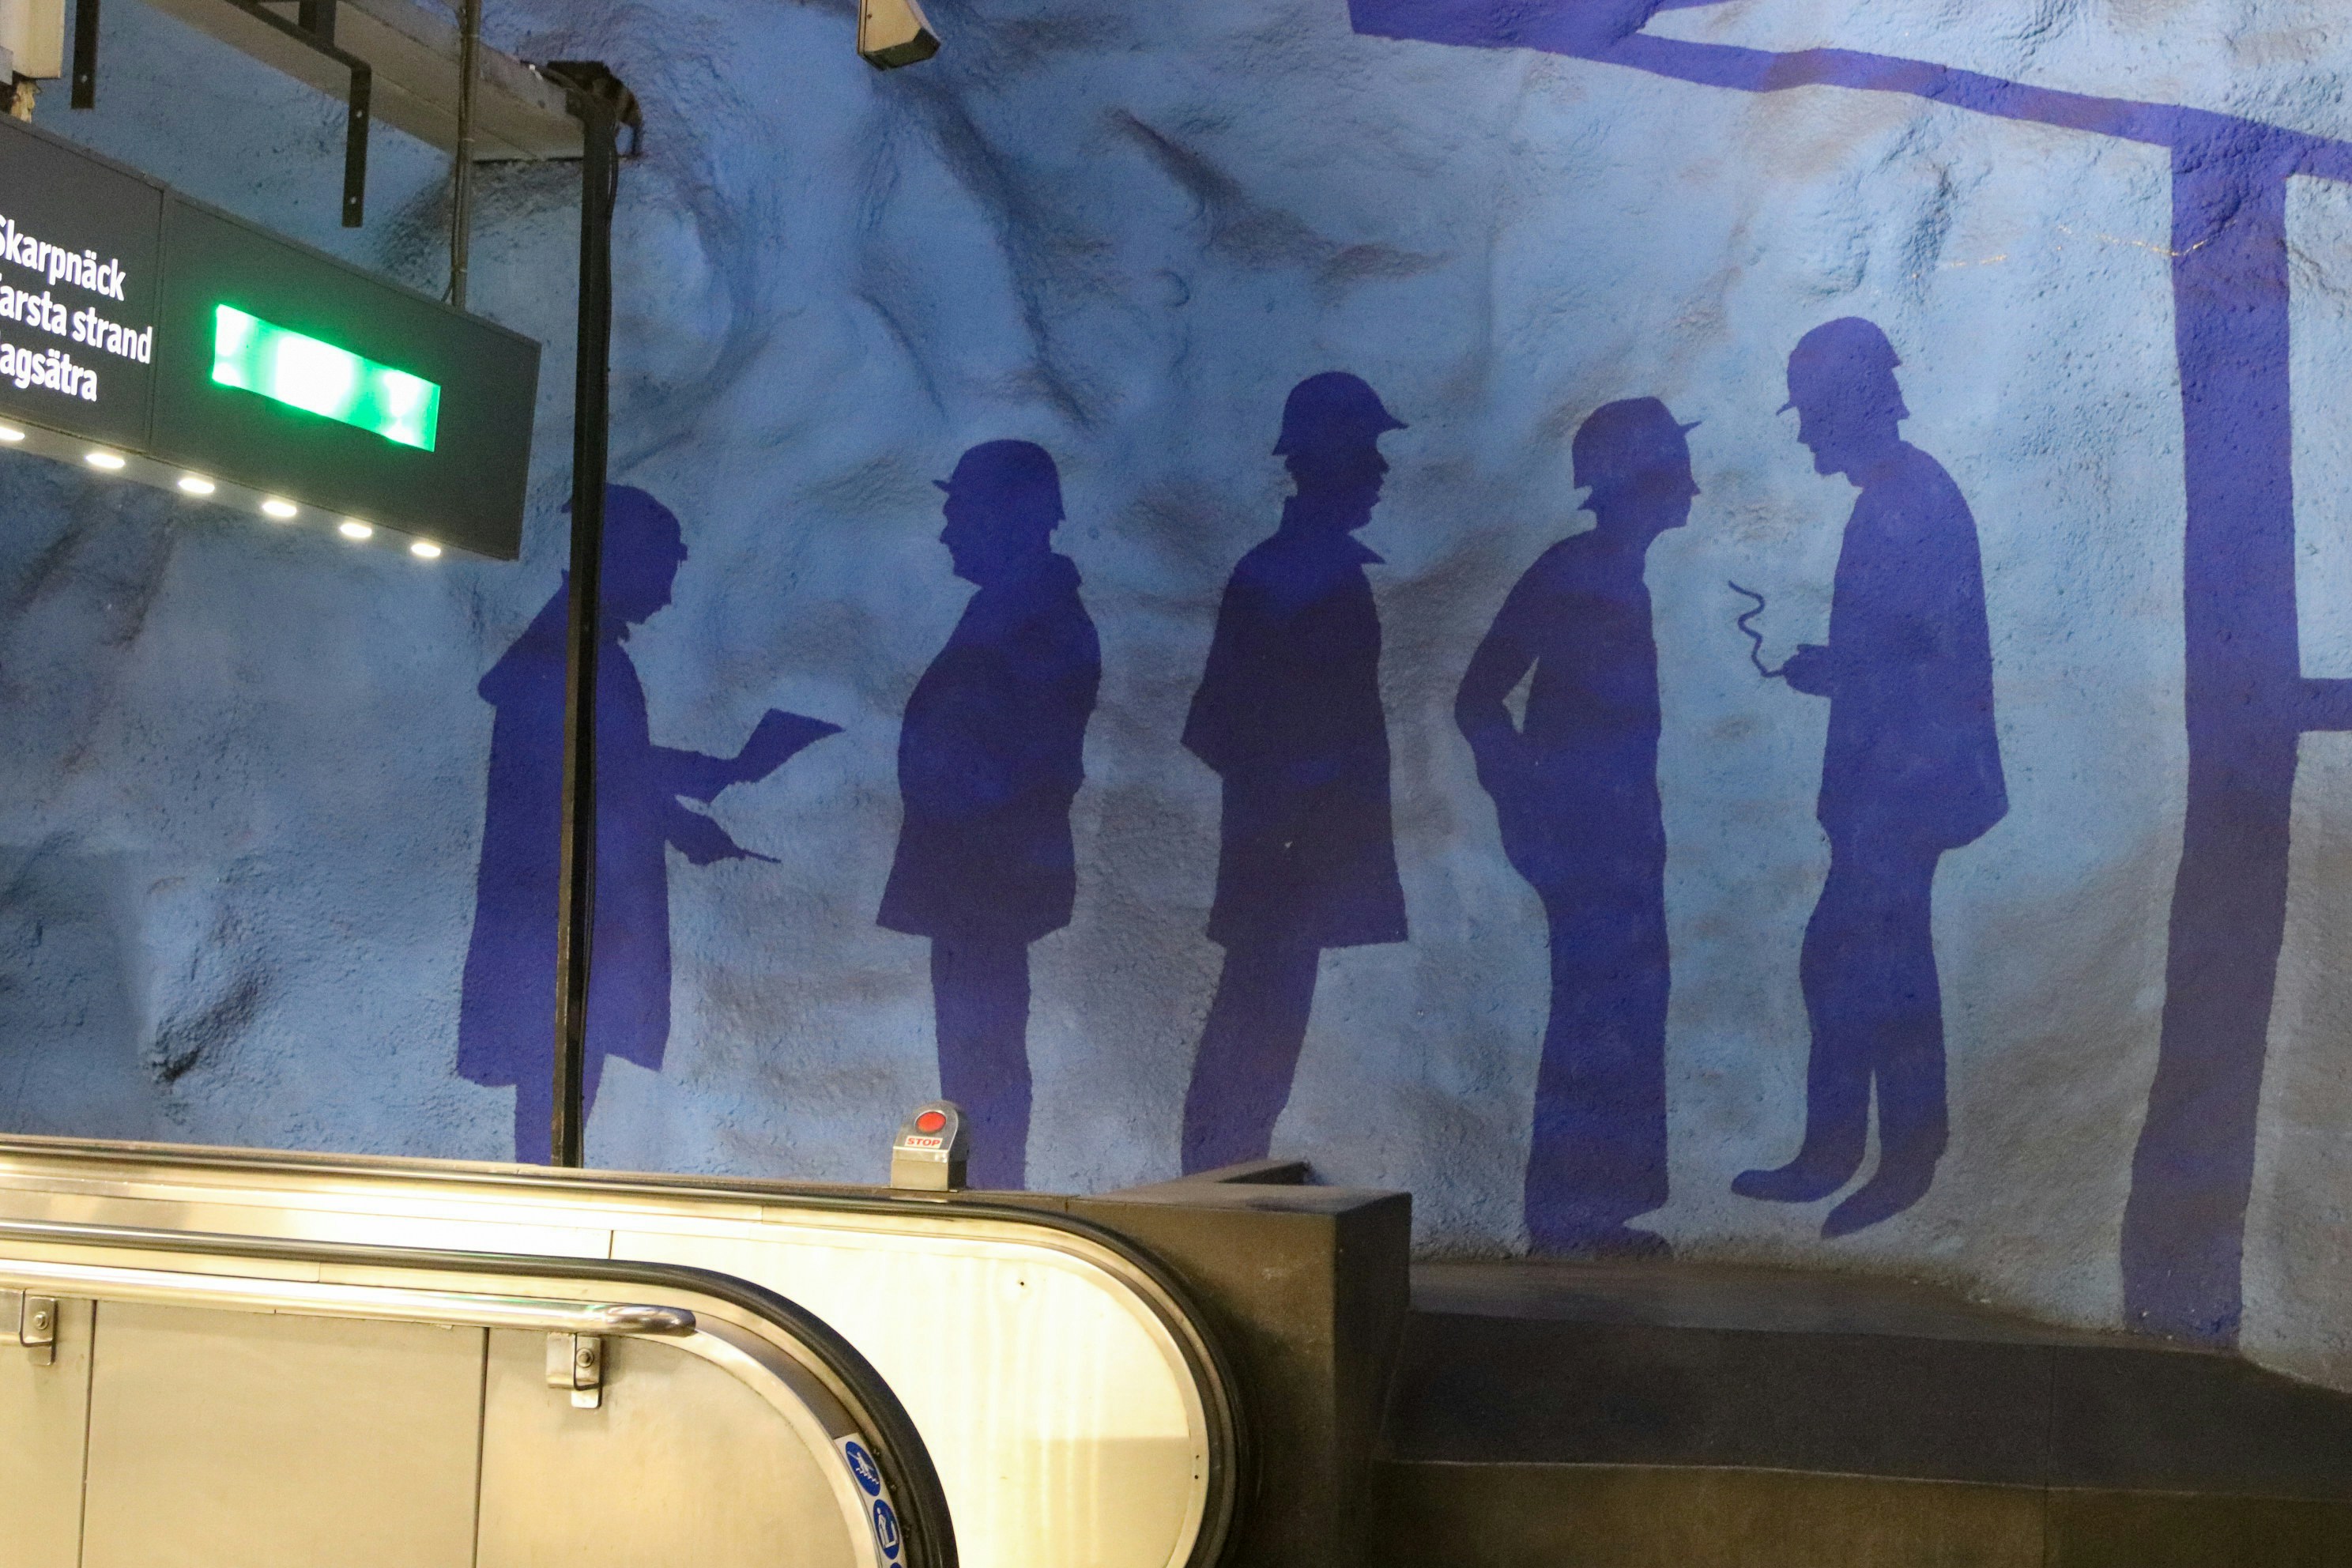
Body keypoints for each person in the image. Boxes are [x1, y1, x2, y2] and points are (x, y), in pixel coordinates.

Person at [458, 486, 839, 1164]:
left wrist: (686, 817)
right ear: (624, 560)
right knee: (559, 1081)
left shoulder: (568, 652)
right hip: (563, 925)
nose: (667, 590)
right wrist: (725, 774)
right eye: (663, 564)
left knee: (563, 1083)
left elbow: (606, 773)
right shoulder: (572, 660)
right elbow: (601, 771)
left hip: (570, 921)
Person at [1732, 318, 2006, 1236]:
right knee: (1853, 959)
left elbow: (1932, 650)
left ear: (1849, 406)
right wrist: (1842, 664)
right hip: (1887, 782)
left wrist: (1838, 668)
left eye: (1812, 413)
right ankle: (1846, 1150)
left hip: (1906, 784)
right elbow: (1909, 642)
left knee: (1877, 963)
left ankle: (1895, 1155)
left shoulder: (1906, 497)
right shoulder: (1897, 492)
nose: (1805, 432)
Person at [1457, 398, 1697, 1257]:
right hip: (1588, 842)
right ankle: (1567, 1214)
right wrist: (1527, 804)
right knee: (1596, 1014)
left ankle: (1603, 1208)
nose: (1691, 487)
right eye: (1674, 467)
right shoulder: (1573, 571)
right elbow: (1479, 694)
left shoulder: (1617, 573)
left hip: (1624, 838)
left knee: (1625, 1010)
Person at [1178, 372, 1409, 1173]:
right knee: (1256, 1020)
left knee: (1265, 1020)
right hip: (1289, 855)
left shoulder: (1316, 572)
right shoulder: (1291, 576)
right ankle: (1216, 1182)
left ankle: (1224, 1178)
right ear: (1329, 460)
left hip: (1298, 852)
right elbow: (1220, 721)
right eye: (1367, 452)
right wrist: (1287, 823)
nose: (1380, 471)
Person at [878, 441, 1100, 1191]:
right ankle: (987, 1194)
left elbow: (1017, 759)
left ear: (1014, 515)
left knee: (984, 1051)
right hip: (973, 881)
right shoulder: (1013, 610)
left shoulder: (1034, 616)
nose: (948, 531)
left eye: (961, 511)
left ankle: (993, 1196)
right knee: (977, 1051)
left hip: (984, 882)